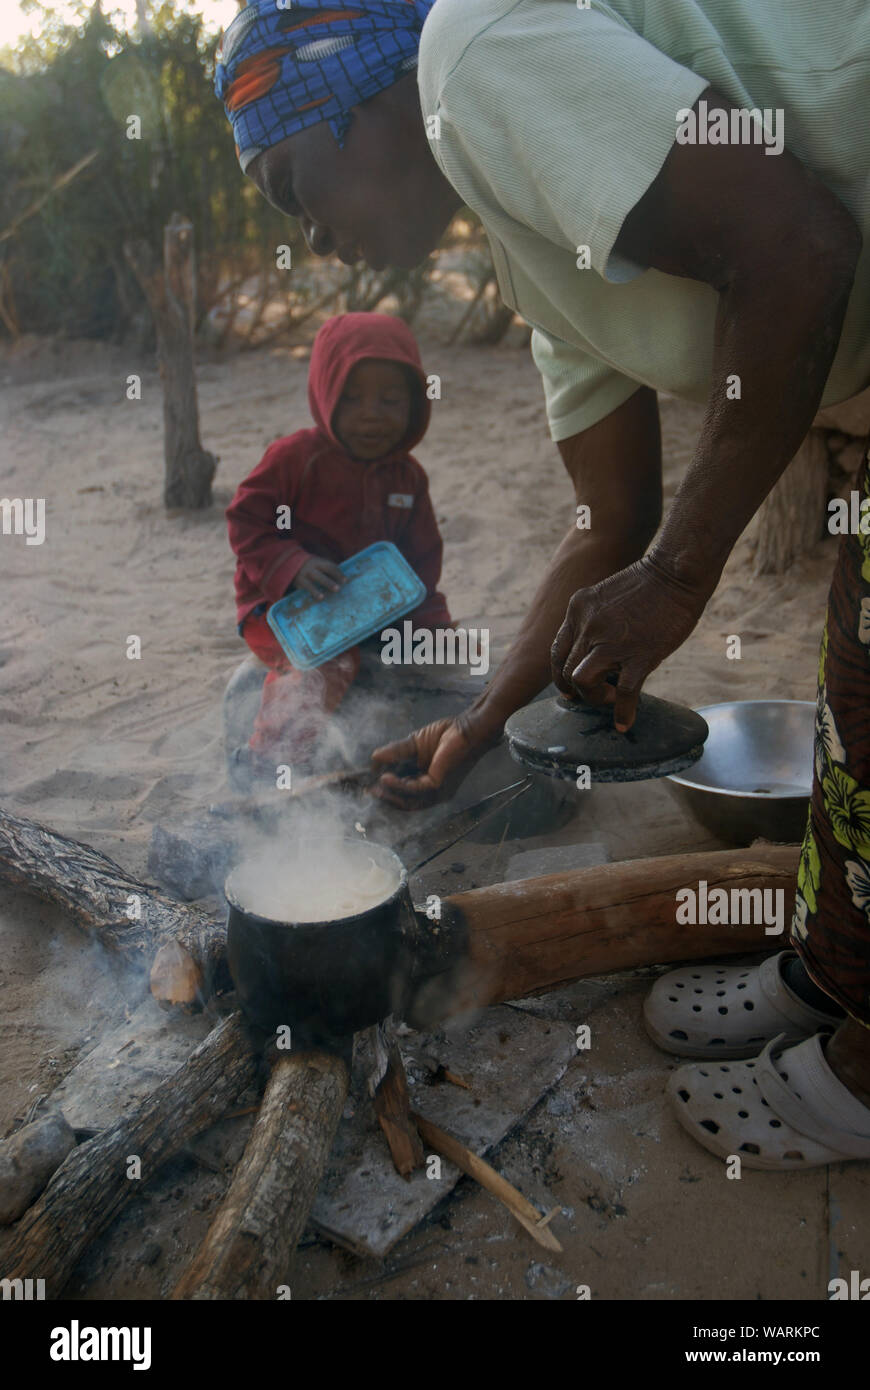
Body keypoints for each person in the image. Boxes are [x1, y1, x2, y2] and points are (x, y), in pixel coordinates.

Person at [215, 0, 870, 1165]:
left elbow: (799, 244)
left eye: (286, 187)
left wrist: (677, 580)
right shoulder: (540, 249)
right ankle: (835, 977)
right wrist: (476, 726)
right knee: (862, 719)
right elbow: (608, 518)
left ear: (356, 104)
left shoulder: (471, 49)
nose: (308, 238)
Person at [226, 311, 451, 774]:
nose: (372, 414)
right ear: (324, 396)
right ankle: (268, 765)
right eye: (351, 399)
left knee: (445, 655)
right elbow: (246, 520)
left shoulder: (407, 476)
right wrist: (291, 565)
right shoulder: (295, 459)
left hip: (366, 612)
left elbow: (420, 563)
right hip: (282, 612)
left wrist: (429, 624)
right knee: (325, 665)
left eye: (390, 400)